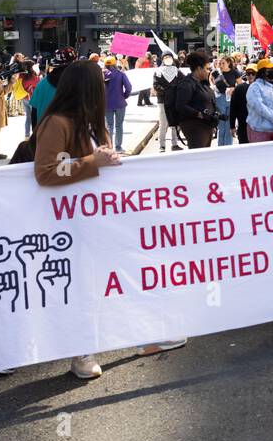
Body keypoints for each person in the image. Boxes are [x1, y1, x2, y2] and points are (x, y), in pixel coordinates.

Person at [34, 61, 184, 378]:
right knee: (87, 287)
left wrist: (112, 161)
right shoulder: (56, 123)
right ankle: (82, 352)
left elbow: (98, 162)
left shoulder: (93, 121)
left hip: (102, 220)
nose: (106, 88)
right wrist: (93, 161)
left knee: (127, 276)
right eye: (100, 83)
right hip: (73, 226)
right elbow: (46, 172)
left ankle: (148, 333)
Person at [172, 50, 219, 149]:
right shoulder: (187, 84)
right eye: (207, 69)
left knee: (204, 159)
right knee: (199, 159)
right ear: (198, 69)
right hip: (195, 127)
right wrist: (199, 114)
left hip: (206, 126)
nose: (209, 71)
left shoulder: (203, 83)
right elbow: (180, 105)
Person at [28, 47, 76, 129]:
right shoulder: (78, 83)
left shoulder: (41, 84)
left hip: (43, 134)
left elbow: (34, 113)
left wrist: (35, 137)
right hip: (70, 135)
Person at [101, 56, 133, 153]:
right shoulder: (121, 74)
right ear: (115, 64)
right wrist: (124, 96)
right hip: (120, 103)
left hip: (106, 104)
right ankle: (118, 147)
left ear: (105, 64)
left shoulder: (101, 75)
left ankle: (109, 147)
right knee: (119, 125)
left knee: (109, 126)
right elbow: (129, 87)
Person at [153, 55, 183, 152]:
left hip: (174, 100)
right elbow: (156, 85)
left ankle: (174, 144)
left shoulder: (177, 71)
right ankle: (162, 145)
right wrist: (167, 91)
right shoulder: (158, 72)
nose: (168, 59)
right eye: (165, 57)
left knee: (174, 123)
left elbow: (184, 82)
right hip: (163, 101)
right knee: (163, 123)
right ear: (162, 59)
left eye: (169, 57)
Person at [246, 58, 273, 142]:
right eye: (270, 69)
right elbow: (259, 107)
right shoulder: (255, 87)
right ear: (262, 72)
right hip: (259, 129)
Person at [211, 56, 238, 147]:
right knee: (221, 124)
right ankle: (220, 145)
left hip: (231, 98)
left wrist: (233, 89)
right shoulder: (215, 72)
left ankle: (228, 146)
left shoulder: (234, 72)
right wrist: (213, 87)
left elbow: (240, 85)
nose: (221, 65)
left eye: (223, 63)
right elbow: (210, 81)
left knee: (229, 124)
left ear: (228, 63)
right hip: (219, 99)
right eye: (220, 63)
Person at [230, 64, 255, 145]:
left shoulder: (262, 86)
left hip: (259, 126)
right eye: (248, 73)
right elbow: (233, 107)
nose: (250, 75)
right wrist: (232, 126)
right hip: (243, 125)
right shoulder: (239, 88)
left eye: (253, 73)